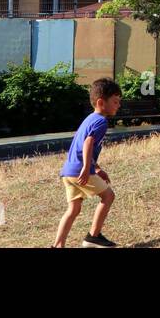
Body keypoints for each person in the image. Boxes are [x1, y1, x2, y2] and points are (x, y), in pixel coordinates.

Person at [53, 77, 122, 248]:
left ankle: (58, 245)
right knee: (108, 196)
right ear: (101, 102)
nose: (118, 105)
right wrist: (86, 168)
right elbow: (88, 143)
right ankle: (93, 237)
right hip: (79, 170)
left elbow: (82, 144)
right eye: (115, 101)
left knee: (74, 209)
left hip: (68, 172)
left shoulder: (89, 119)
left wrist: (97, 168)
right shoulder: (101, 121)